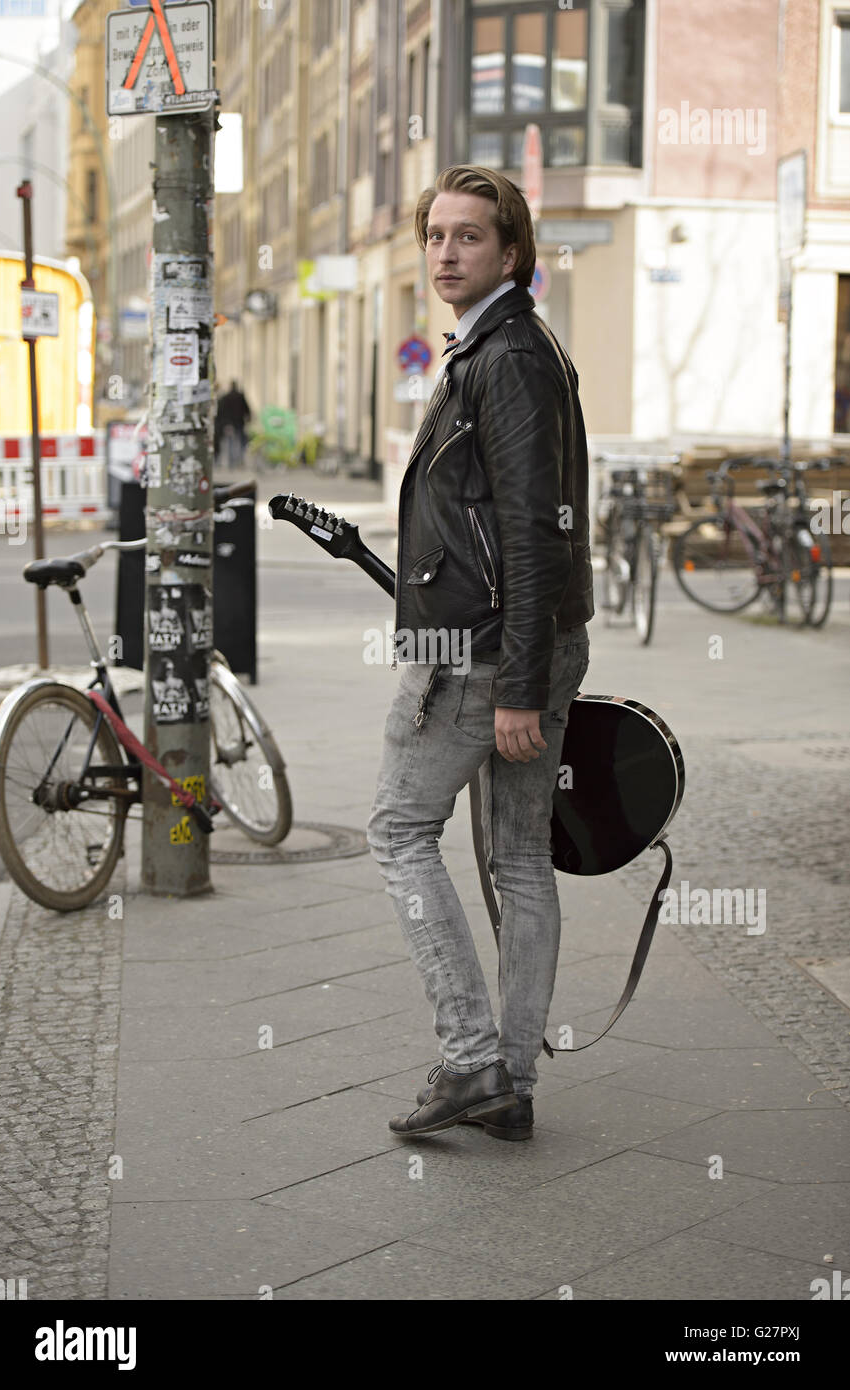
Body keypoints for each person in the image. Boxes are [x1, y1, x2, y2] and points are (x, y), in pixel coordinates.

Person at [366, 165, 594, 1141]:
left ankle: (470, 1059)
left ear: (510, 251)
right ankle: (509, 1079)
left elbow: (533, 530)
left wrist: (516, 685)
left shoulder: (505, 358)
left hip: (481, 651)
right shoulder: (503, 347)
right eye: (436, 234)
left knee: (396, 829)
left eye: (469, 236)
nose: (446, 251)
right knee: (520, 856)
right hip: (512, 643)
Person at [214, 381, 252, 469]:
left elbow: (223, 411)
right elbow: (246, 408)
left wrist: (225, 422)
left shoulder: (226, 397)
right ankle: (240, 460)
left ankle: (232, 462)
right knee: (241, 441)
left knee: (231, 442)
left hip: (230, 423)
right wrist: (249, 417)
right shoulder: (240, 396)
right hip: (239, 422)